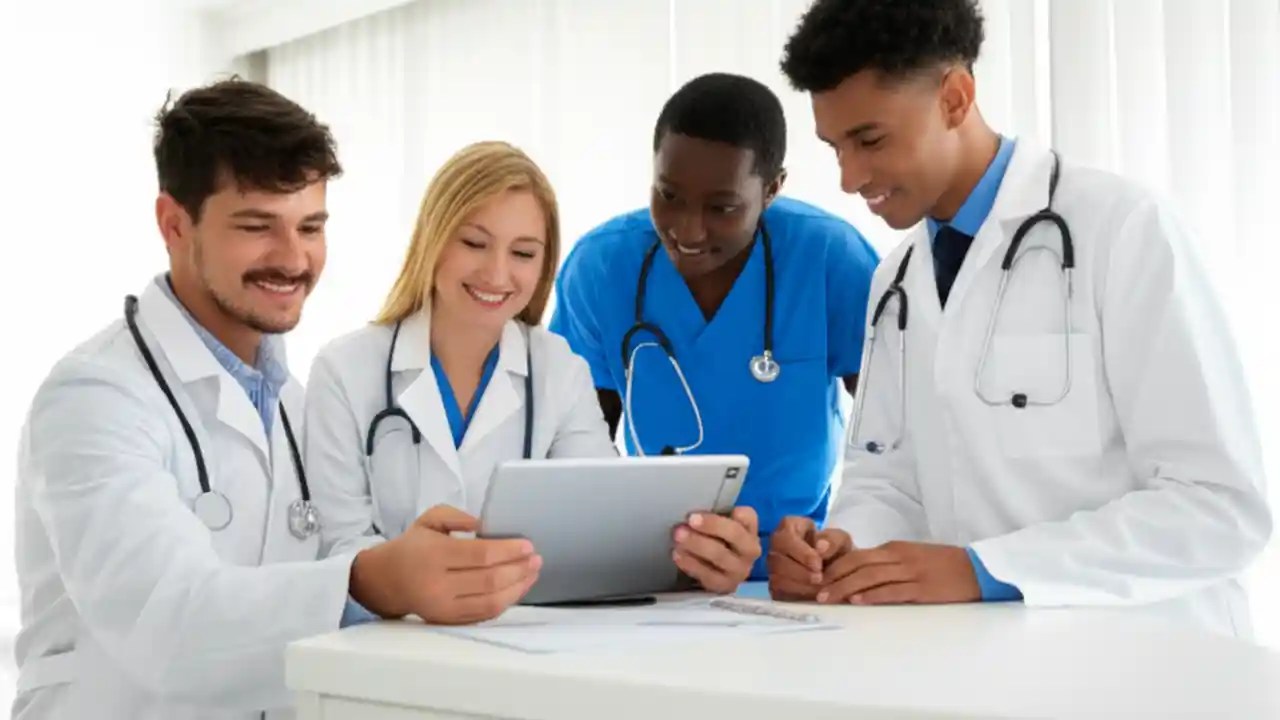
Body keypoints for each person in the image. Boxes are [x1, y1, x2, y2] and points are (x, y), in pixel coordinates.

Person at [12, 80, 538, 720]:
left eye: (310, 226)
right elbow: (166, 623)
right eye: (258, 227)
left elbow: (312, 593)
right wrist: (373, 577)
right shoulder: (95, 397)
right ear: (174, 224)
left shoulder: (290, 402)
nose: (294, 260)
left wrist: (416, 569)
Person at [767, 0, 1271, 638]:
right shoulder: (895, 279)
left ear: (954, 97)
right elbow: (888, 483)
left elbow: (1218, 506)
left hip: (1151, 663)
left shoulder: (1122, 230)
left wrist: (985, 570)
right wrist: (839, 553)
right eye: (835, 147)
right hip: (980, 668)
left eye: (870, 140)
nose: (849, 177)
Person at [549, 72, 881, 587]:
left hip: (794, 569)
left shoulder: (829, 260)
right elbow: (576, 458)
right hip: (657, 559)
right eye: (669, 195)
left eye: (722, 208)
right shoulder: (602, 268)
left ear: (771, 189)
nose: (687, 230)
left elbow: (896, 445)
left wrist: (845, 540)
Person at [303, 141, 616, 567]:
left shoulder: (560, 371)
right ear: (433, 239)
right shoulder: (344, 370)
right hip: (387, 630)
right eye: (473, 243)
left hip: (525, 625)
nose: (497, 274)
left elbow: (600, 521)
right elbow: (338, 549)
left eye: (523, 253)